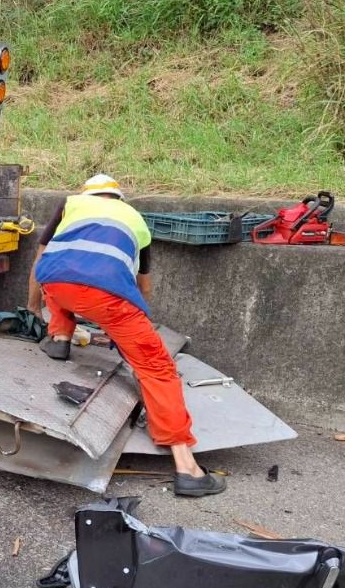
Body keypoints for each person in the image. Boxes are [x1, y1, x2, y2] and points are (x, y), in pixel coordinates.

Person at [27, 174, 225, 497]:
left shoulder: (71, 204)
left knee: (61, 274)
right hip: (107, 298)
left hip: (56, 284)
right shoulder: (135, 220)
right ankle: (187, 468)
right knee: (157, 368)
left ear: (88, 193)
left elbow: (41, 258)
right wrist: (132, 330)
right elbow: (142, 287)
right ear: (118, 199)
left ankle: (60, 339)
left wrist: (33, 305)